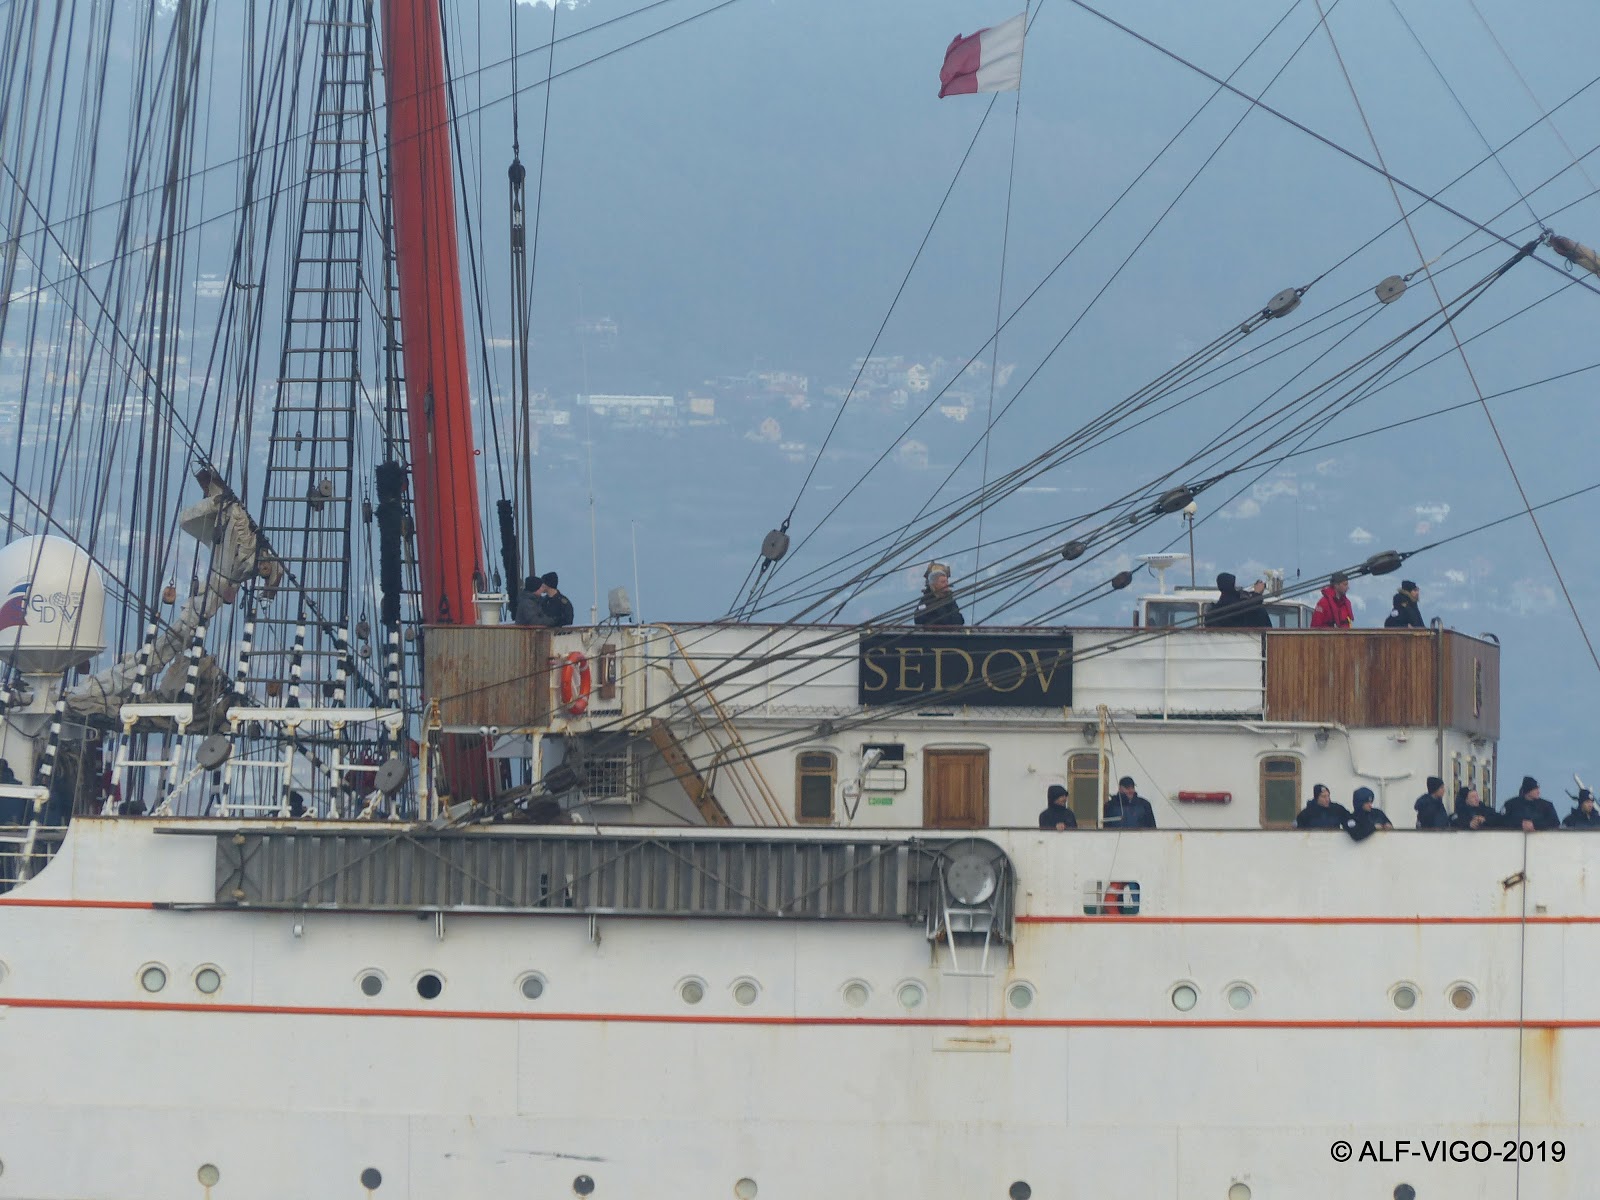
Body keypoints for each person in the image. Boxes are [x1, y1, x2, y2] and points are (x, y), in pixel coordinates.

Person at [913, 562, 965, 627]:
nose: (947, 584)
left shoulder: (950, 600)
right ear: (934, 584)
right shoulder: (926, 601)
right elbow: (920, 619)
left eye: (947, 581)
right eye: (943, 582)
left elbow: (959, 620)